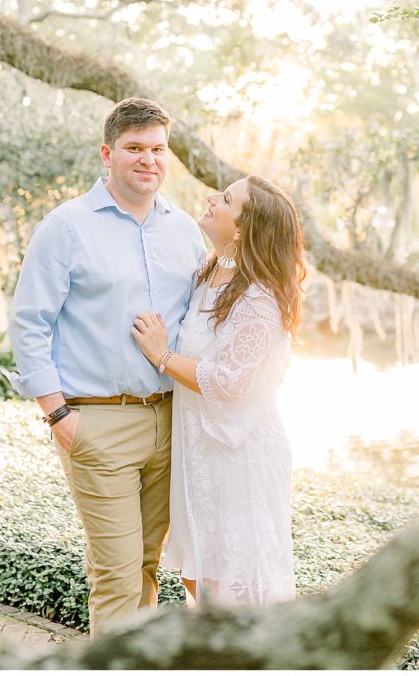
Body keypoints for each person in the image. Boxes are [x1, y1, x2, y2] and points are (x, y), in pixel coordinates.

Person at [8, 97, 209, 631]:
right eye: (134, 148)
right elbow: (29, 322)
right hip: (97, 421)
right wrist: (58, 414)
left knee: (147, 567)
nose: (148, 160)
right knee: (117, 574)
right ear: (107, 153)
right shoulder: (66, 227)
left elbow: (203, 318)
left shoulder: (184, 229)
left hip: (173, 419)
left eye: (158, 149)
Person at [129, 175, 302, 607]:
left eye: (225, 199)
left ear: (242, 229)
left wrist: (162, 356)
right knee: (197, 575)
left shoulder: (259, 300)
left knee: (234, 585)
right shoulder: (210, 270)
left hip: (239, 455)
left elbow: (230, 381)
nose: (211, 198)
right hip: (198, 449)